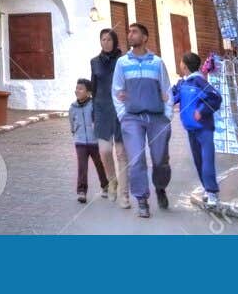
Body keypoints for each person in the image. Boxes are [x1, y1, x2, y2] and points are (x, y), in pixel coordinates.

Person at [112, 21, 172, 218]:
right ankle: (142, 200)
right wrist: (123, 115)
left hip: (157, 118)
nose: (130, 35)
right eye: (129, 32)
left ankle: (160, 187)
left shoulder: (157, 62)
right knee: (136, 159)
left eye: (134, 32)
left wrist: (167, 115)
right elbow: (117, 91)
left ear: (144, 38)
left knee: (160, 159)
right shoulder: (122, 63)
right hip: (132, 119)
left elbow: (166, 90)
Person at [172, 51, 224, 210]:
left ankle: (212, 192)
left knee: (207, 160)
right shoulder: (183, 83)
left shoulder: (199, 82)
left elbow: (215, 97)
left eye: (181, 62)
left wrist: (201, 111)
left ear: (185, 66)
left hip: (204, 128)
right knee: (198, 161)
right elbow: (171, 97)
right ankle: (207, 189)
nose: (180, 64)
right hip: (191, 129)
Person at [89, 28, 129, 208]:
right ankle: (112, 181)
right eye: (102, 39)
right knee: (104, 151)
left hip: (120, 110)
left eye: (108, 39)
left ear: (115, 41)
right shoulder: (94, 62)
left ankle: (124, 195)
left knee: (121, 153)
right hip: (102, 110)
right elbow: (94, 87)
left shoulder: (123, 60)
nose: (105, 42)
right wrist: (93, 113)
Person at [68, 78, 109, 202]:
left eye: (81, 89)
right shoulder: (73, 107)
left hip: (94, 141)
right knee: (82, 166)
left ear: (89, 92)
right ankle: (81, 191)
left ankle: (105, 186)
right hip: (80, 142)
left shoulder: (94, 105)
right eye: (76, 88)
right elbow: (72, 123)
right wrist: (75, 132)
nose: (77, 91)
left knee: (99, 164)